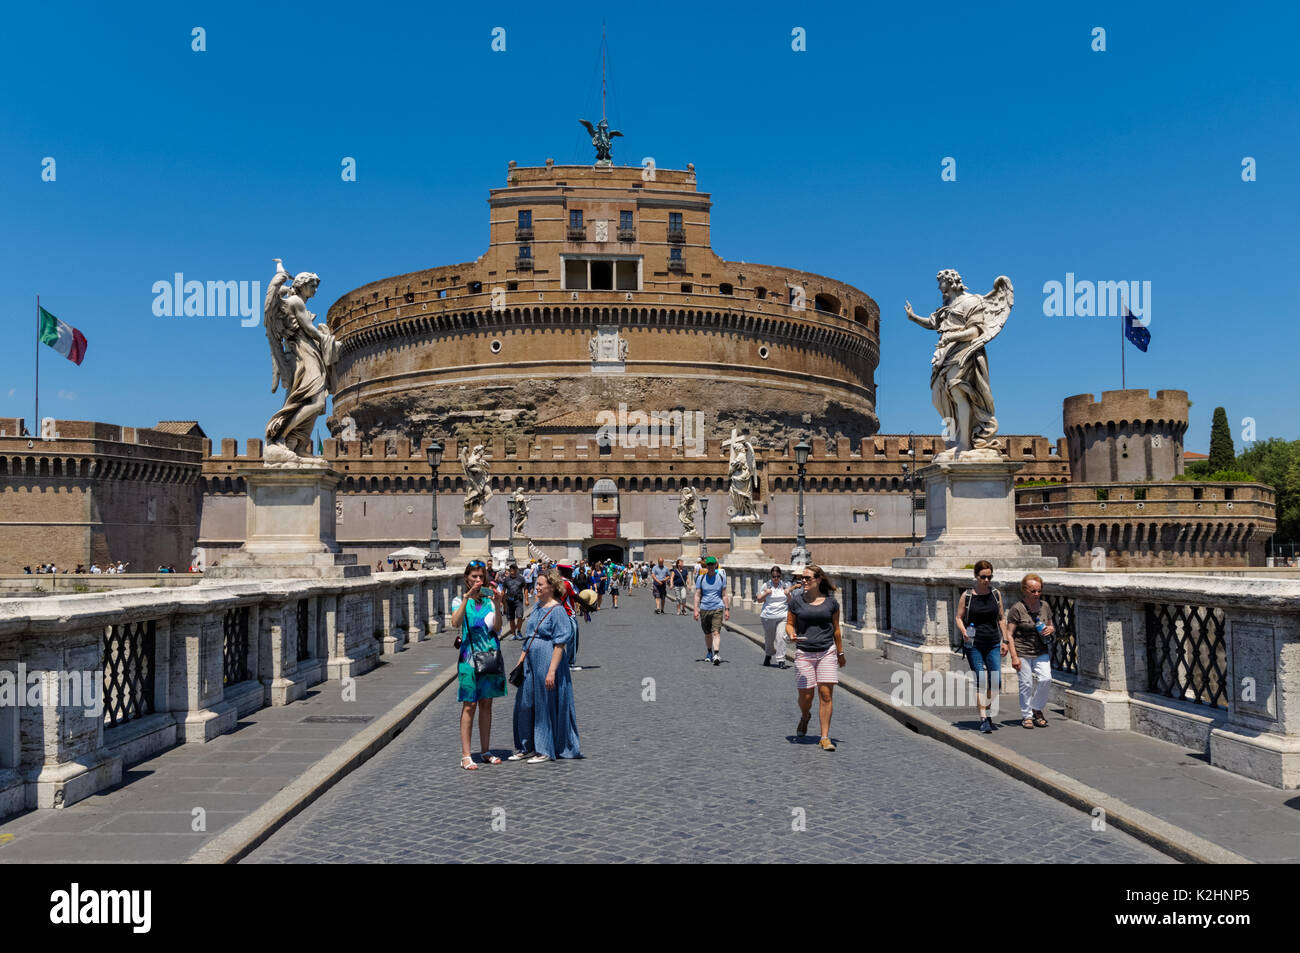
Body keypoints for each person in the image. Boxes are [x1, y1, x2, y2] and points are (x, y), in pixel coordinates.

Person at [510, 567, 582, 763]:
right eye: (537, 584)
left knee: (543, 705)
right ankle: (526, 746)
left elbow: (560, 643)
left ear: (551, 587)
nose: (537, 587)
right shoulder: (537, 607)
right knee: (524, 703)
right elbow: (529, 636)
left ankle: (544, 748)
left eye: (540, 584)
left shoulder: (558, 611)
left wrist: (551, 671)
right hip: (530, 661)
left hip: (547, 660)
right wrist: (521, 660)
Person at [450, 560, 506, 769]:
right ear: (466, 578)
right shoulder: (459, 600)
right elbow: (455, 623)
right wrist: (466, 598)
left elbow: (498, 627)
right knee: (469, 705)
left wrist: (499, 605)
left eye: (481, 577)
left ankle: (485, 750)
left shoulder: (490, 602)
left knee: (486, 704)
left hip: (490, 655)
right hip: (469, 658)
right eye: (474, 576)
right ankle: (466, 754)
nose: (478, 580)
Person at [786, 565, 844, 750]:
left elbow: (836, 629)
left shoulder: (831, 603)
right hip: (804, 652)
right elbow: (789, 624)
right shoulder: (796, 601)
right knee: (807, 695)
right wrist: (791, 634)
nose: (803, 581)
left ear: (818, 580)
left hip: (827, 651)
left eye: (807, 578)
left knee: (826, 694)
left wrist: (841, 653)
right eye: (801, 578)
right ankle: (805, 716)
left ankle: (824, 737)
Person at [955, 560, 1006, 734]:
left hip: (992, 641)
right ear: (976, 576)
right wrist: (964, 631)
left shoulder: (996, 594)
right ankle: (983, 718)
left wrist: (1005, 640)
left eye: (989, 577)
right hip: (973, 644)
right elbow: (958, 617)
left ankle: (987, 710)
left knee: (997, 681)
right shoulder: (967, 596)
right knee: (981, 680)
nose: (987, 580)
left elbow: (1001, 618)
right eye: (983, 577)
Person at [1004, 573, 1055, 729]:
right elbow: (1009, 634)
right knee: (1025, 683)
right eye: (1033, 591)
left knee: (1046, 678)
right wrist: (1014, 657)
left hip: (1041, 649)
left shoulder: (1045, 606)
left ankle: (1036, 708)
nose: (1037, 594)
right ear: (1025, 590)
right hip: (1022, 650)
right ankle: (1027, 715)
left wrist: (1051, 629)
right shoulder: (1017, 609)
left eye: (1039, 591)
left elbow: (1052, 625)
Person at [693, 555, 729, 665]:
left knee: (716, 632)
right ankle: (709, 652)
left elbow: (724, 594)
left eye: (712, 565)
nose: (711, 567)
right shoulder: (701, 578)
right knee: (707, 633)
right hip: (704, 608)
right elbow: (697, 595)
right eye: (709, 565)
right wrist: (696, 609)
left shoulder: (721, 577)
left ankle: (716, 654)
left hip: (717, 608)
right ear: (706, 566)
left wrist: (727, 609)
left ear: (715, 565)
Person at [758, 565, 793, 668]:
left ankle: (781, 660)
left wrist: (788, 595)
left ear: (780, 576)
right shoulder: (766, 585)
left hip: (782, 616)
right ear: (771, 576)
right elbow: (759, 599)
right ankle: (768, 655)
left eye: (778, 576)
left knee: (781, 637)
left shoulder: (785, 585)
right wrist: (766, 593)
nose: (776, 578)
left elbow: (790, 601)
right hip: (768, 616)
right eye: (774, 576)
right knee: (769, 638)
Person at [499, 562, 529, 640]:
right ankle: (513, 634)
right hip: (509, 601)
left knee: (520, 616)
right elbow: (503, 590)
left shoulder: (521, 578)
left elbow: (525, 589)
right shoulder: (506, 579)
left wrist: (527, 600)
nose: (512, 570)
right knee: (511, 619)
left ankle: (518, 631)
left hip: (518, 600)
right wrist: (501, 601)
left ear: (516, 569)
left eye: (514, 568)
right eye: (511, 568)